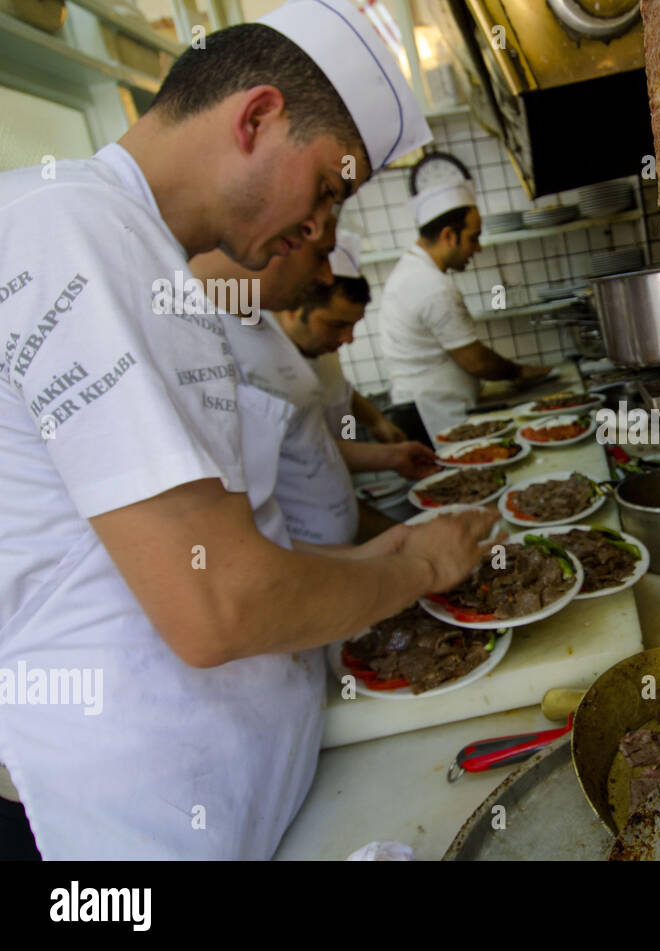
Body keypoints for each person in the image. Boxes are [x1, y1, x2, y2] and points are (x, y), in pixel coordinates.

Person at [0, 0, 497, 860]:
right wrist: (417, 566)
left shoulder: (144, 255)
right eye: (327, 193)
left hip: (262, 795)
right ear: (258, 116)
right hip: (151, 829)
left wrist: (373, 559)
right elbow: (217, 605)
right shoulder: (70, 229)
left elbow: (220, 549)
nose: (321, 232)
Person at [190, 223, 439, 544]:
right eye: (320, 256)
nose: (347, 339)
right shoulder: (214, 345)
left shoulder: (271, 336)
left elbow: (311, 444)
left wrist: (388, 451)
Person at [378, 177, 551, 438]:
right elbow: (476, 361)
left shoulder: (412, 271)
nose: (478, 248)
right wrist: (519, 372)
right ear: (448, 235)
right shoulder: (431, 285)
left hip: (426, 409)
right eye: (473, 238)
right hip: (430, 416)